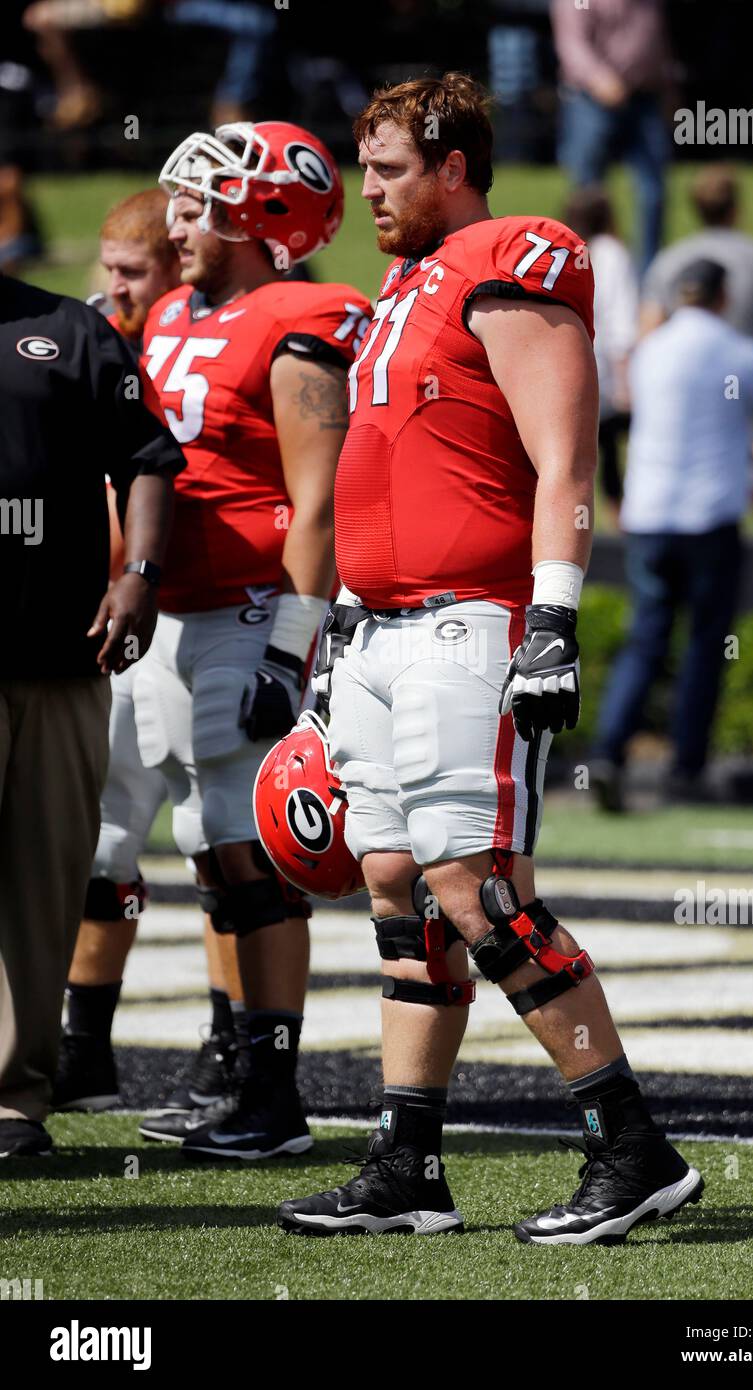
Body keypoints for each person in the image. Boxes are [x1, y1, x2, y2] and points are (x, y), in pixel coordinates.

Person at [277, 72, 704, 1246]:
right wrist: (327, 638)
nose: (368, 191)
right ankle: (408, 1164)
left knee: (480, 893)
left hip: (469, 623)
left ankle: (632, 1150)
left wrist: (554, 616)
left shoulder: (509, 255)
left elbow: (563, 456)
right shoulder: (399, 286)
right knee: (396, 893)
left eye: (389, 169)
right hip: (375, 631)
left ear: (454, 166)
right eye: (361, 169)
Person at [133, 120, 372, 1158]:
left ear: (263, 211)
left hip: (246, 608)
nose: (182, 218)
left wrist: (290, 643)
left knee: (254, 854)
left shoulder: (300, 315)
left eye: (209, 198)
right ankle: (235, 1062)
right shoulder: (172, 311)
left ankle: (276, 1098)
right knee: (205, 851)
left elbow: (316, 500)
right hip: (172, 615)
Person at [0, 268, 184, 1158]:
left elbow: (147, 459)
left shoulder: (74, 331)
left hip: (59, 658)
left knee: (41, 886)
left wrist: (138, 575)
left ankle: (13, 1098)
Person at [54, 188, 231, 1115]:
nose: (113, 287)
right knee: (103, 842)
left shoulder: (233, 329)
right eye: (110, 268)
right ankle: (85, 1046)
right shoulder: (87, 339)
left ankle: (229, 1034)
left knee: (218, 839)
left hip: (214, 613)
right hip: (109, 614)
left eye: (134, 271)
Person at [592, 259, 753, 813]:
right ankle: (685, 770)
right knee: (706, 646)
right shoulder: (738, 353)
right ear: (723, 296)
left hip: (650, 516)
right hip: (708, 519)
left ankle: (610, 755)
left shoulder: (651, 352)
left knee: (646, 639)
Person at [640, 167, 753, 530]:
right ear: (736, 207)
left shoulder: (669, 261)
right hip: (750, 393)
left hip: (687, 399)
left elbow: (647, 338)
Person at [550, 0, 673, 274]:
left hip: (645, 98)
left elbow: (656, 39)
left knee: (653, 192)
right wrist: (599, 79)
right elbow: (572, 43)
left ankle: (649, 276)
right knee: (588, 194)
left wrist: (667, 84)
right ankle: (581, 271)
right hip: (591, 100)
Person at [563, 184, 638, 522]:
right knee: (623, 458)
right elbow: (622, 321)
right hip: (611, 375)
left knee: (594, 459)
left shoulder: (569, 254)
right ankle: (626, 524)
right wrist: (626, 382)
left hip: (576, 371)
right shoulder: (612, 253)